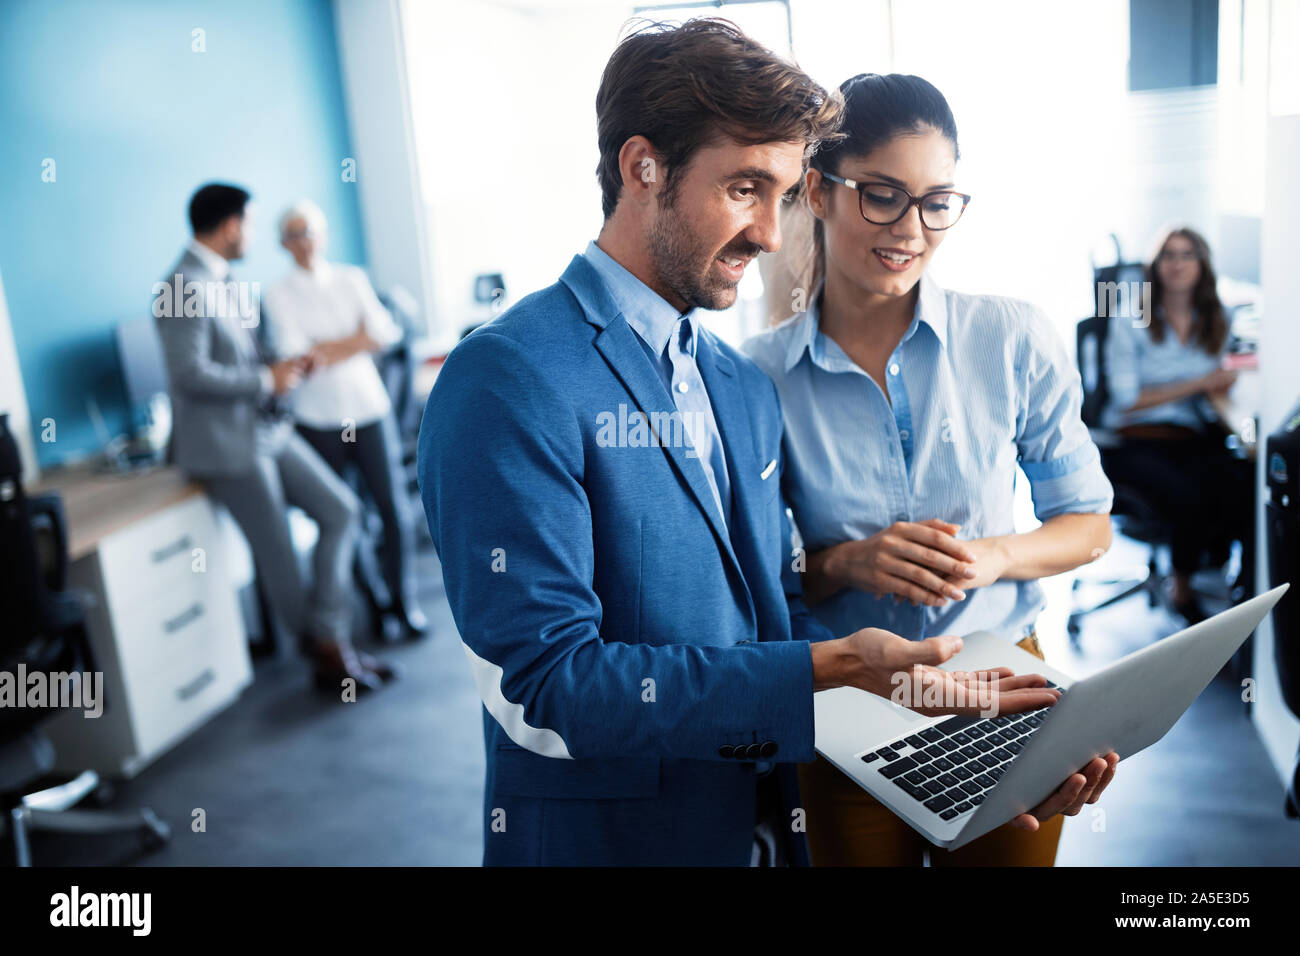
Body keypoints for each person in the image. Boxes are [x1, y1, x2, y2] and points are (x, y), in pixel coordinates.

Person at [419, 22, 1103, 867]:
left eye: (779, 196)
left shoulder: (734, 385)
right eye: (746, 187)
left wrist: (928, 693)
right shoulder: (509, 375)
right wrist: (844, 664)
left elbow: (769, 621)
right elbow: (549, 690)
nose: (773, 236)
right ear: (643, 168)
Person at [742, 73, 1119, 866]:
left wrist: (995, 555)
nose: (910, 228)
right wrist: (845, 562)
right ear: (818, 191)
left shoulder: (1011, 338)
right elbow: (755, 590)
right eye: (881, 195)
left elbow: (1088, 525)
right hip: (852, 700)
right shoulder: (756, 378)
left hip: (1002, 687)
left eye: (936, 201)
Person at [154, 183, 395, 695]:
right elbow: (188, 376)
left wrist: (276, 368)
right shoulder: (180, 286)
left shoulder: (223, 279)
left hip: (265, 430)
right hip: (226, 446)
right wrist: (267, 380)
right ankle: (331, 655)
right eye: (251, 224)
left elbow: (235, 360)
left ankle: (329, 638)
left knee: (341, 510)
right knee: (281, 556)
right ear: (230, 225)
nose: (254, 236)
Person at [264, 200, 429, 639]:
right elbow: (299, 357)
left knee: (393, 510)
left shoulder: (351, 279)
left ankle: (403, 601)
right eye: (294, 233)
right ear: (283, 243)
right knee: (345, 514)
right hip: (317, 420)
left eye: (310, 230)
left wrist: (333, 346)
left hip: (368, 411)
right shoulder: (278, 293)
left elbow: (384, 333)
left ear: (323, 235)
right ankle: (374, 603)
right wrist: (355, 340)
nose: (304, 240)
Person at [1102, 226, 1255, 622]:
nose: (1178, 263)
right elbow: (1126, 399)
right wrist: (1201, 383)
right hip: (1134, 438)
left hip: (1188, 435)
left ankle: (1242, 587)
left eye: (1188, 255)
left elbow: (1225, 368)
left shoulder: (1217, 317)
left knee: (1242, 482)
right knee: (1188, 493)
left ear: (1202, 265)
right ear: (1156, 265)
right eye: (1169, 255)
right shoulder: (1132, 313)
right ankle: (1181, 589)